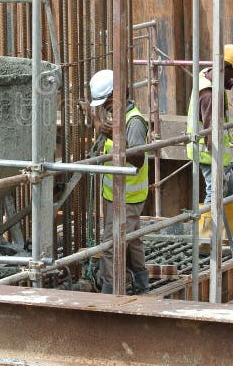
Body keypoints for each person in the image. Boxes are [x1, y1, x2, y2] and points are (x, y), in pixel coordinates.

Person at [85, 69, 150, 295]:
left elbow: (137, 158)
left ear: (118, 93)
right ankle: (142, 283)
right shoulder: (121, 119)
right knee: (132, 241)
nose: (105, 107)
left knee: (111, 245)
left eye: (107, 101)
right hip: (116, 195)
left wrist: (108, 132)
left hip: (127, 197)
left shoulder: (134, 123)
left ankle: (110, 292)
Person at [186, 44, 233, 207]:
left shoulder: (208, 75)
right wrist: (218, 166)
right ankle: (208, 232)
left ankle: (227, 231)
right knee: (216, 192)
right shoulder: (209, 95)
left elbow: (226, 80)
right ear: (225, 67)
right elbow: (210, 133)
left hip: (216, 152)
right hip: (208, 153)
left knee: (231, 191)